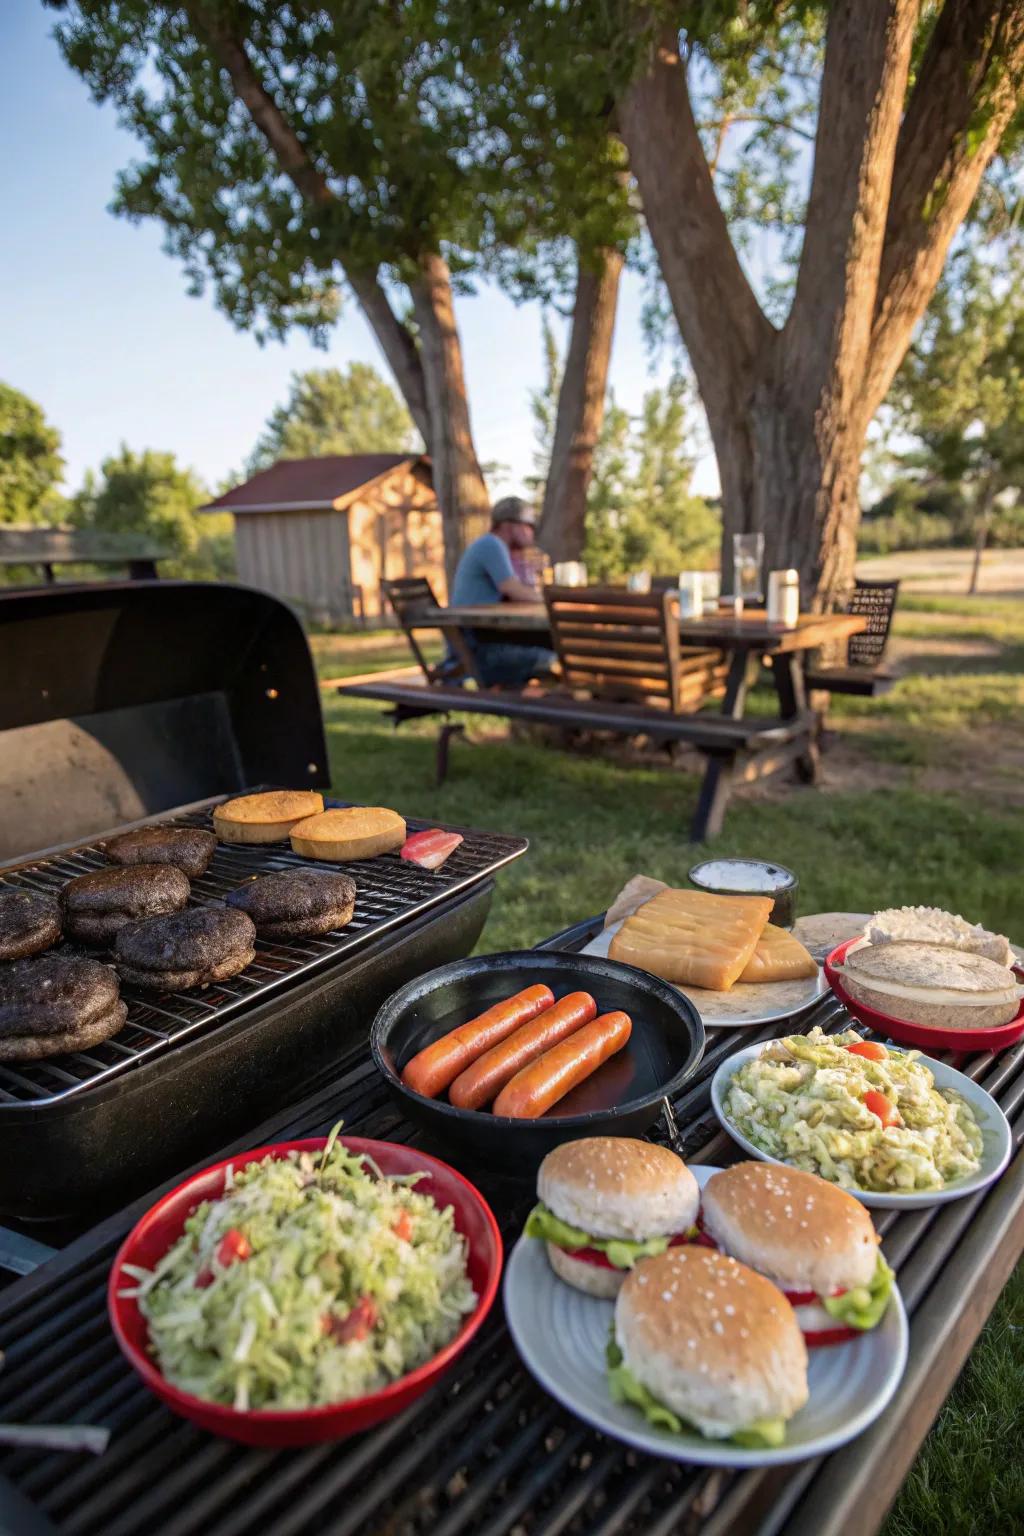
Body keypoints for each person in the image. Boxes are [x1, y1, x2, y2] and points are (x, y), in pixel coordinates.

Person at [448, 497, 557, 688]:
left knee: (556, 640)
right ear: (508, 525)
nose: (531, 532)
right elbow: (513, 589)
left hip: (486, 638)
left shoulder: (496, 547)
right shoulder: (491, 544)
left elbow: (521, 593)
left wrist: (530, 571)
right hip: (478, 651)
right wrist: (553, 600)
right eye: (528, 525)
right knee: (558, 651)